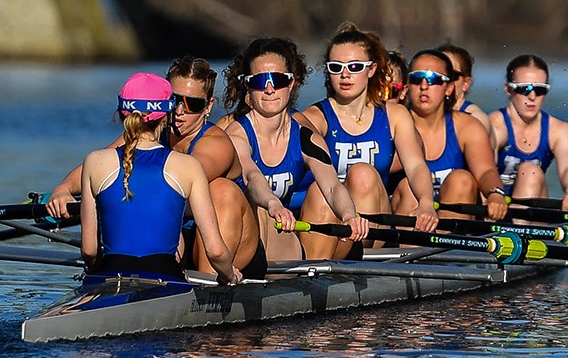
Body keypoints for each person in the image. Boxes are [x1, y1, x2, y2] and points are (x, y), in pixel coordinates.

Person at [44, 57, 263, 279]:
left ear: (208, 106)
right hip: (168, 245)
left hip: (227, 250)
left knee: (220, 190)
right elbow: (100, 165)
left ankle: (208, 290)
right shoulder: (149, 134)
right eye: (175, 100)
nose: (180, 111)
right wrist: (64, 189)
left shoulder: (215, 145)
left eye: (192, 104)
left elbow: (160, 187)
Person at [219, 37, 372, 268]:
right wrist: (273, 204)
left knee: (321, 195)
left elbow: (332, 186)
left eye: (278, 80)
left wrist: (349, 215)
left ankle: (310, 280)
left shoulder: (305, 137)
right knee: (259, 207)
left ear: (291, 84)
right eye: (260, 81)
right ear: (248, 86)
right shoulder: (237, 134)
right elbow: (251, 176)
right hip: (256, 235)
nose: (269, 89)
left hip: (289, 238)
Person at [77, 73, 237, 284]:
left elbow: (89, 250)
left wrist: (95, 272)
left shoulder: (94, 161)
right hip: (166, 276)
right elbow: (215, 252)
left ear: (121, 113)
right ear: (166, 115)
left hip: (110, 274)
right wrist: (230, 277)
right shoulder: (188, 166)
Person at [297, 22, 439, 260]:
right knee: (321, 191)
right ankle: (316, 273)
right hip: (331, 223)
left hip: (372, 229)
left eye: (354, 67)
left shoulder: (394, 115)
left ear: (372, 70)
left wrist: (426, 203)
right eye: (336, 67)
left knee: (362, 173)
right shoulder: (313, 118)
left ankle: (352, 265)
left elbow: (415, 165)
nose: (345, 75)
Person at [393, 48, 507, 222]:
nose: (424, 86)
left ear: (449, 88)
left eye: (433, 80)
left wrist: (495, 193)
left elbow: (486, 171)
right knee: (409, 188)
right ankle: (410, 247)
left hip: (451, 217)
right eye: (417, 78)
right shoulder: (393, 123)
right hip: (405, 215)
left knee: (462, 180)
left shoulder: (468, 126)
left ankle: (447, 246)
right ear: (408, 86)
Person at [489, 53, 568, 212]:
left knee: (530, 171)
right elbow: (485, 170)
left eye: (540, 90)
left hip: (530, 204)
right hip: (491, 203)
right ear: (508, 89)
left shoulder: (559, 129)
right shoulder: (494, 125)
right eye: (524, 89)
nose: (532, 96)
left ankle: (521, 231)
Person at [437, 42, 495, 153]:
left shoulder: (477, 120)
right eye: (438, 75)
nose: (445, 81)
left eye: (451, 75)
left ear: (466, 84)